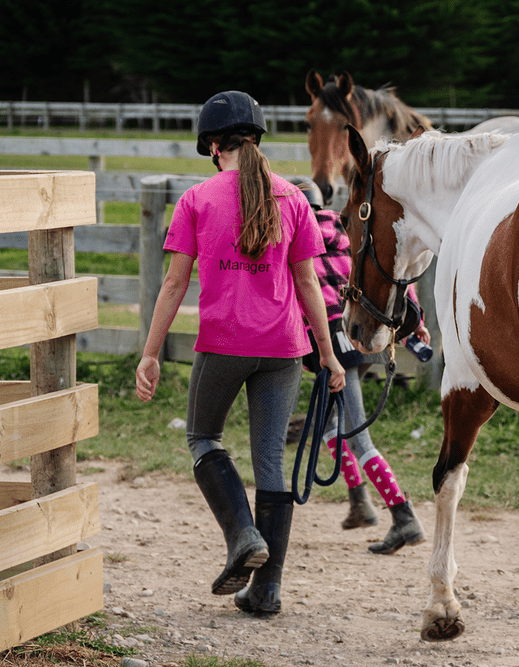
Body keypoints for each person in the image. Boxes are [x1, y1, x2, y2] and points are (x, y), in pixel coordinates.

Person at [135, 90, 346, 617]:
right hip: (284, 348)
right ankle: (266, 592)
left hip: (225, 343)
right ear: (256, 138)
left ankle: (243, 536)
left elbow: (173, 284)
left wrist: (150, 353)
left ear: (213, 146)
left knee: (203, 437)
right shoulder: (293, 199)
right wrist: (328, 354)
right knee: (270, 460)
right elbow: (309, 284)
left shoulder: (197, 199)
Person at [295, 190, 429, 555]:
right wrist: (414, 319)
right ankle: (359, 502)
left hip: (331, 338)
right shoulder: (347, 229)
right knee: (328, 425)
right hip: (364, 330)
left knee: (359, 439)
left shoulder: (295, 234)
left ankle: (403, 516)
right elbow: (391, 270)